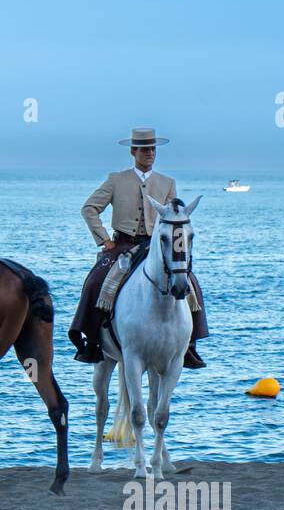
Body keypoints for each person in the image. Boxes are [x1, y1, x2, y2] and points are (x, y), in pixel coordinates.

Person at [69, 127, 209, 367]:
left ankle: (189, 344)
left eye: (152, 150)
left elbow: (173, 221)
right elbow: (89, 209)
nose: (149, 154)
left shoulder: (167, 183)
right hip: (122, 245)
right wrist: (104, 240)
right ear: (133, 151)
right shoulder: (115, 180)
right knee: (95, 280)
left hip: (156, 247)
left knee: (190, 283)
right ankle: (91, 342)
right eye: (144, 150)